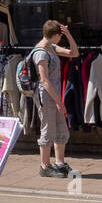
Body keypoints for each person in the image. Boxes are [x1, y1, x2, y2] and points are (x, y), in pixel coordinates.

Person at [31, 19, 77, 177]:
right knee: (48, 129)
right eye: (61, 36)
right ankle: (44, 166)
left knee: (60, 129)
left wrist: (69, 35)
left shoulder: (52, 47)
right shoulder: (41, 53)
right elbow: (44, 80)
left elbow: (73, 53)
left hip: (55, 95)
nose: (61, 39)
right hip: (46, 96)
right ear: (56, 35)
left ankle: (60, 163)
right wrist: (58, 102)